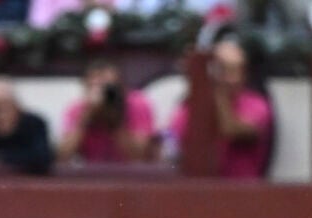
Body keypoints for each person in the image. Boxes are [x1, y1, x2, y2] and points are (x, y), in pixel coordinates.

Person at [168, 36, 273, 179]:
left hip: (241, 194)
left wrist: (218, 90)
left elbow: (230, 130)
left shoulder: (256, 104)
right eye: (224, 70)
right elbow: (173, 148)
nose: (231, 78)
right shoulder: (190, 107)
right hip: (200, 192)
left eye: (235, 70)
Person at [57, 58, 159, 166]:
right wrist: (85, 118)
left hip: (131, 176)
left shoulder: (137, 104)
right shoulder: (78, 109)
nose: (102, 93)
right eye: (94, 86)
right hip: (94, 176)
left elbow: (139, 156)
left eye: (107, 87)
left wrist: (114, 119)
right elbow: (63, 156)